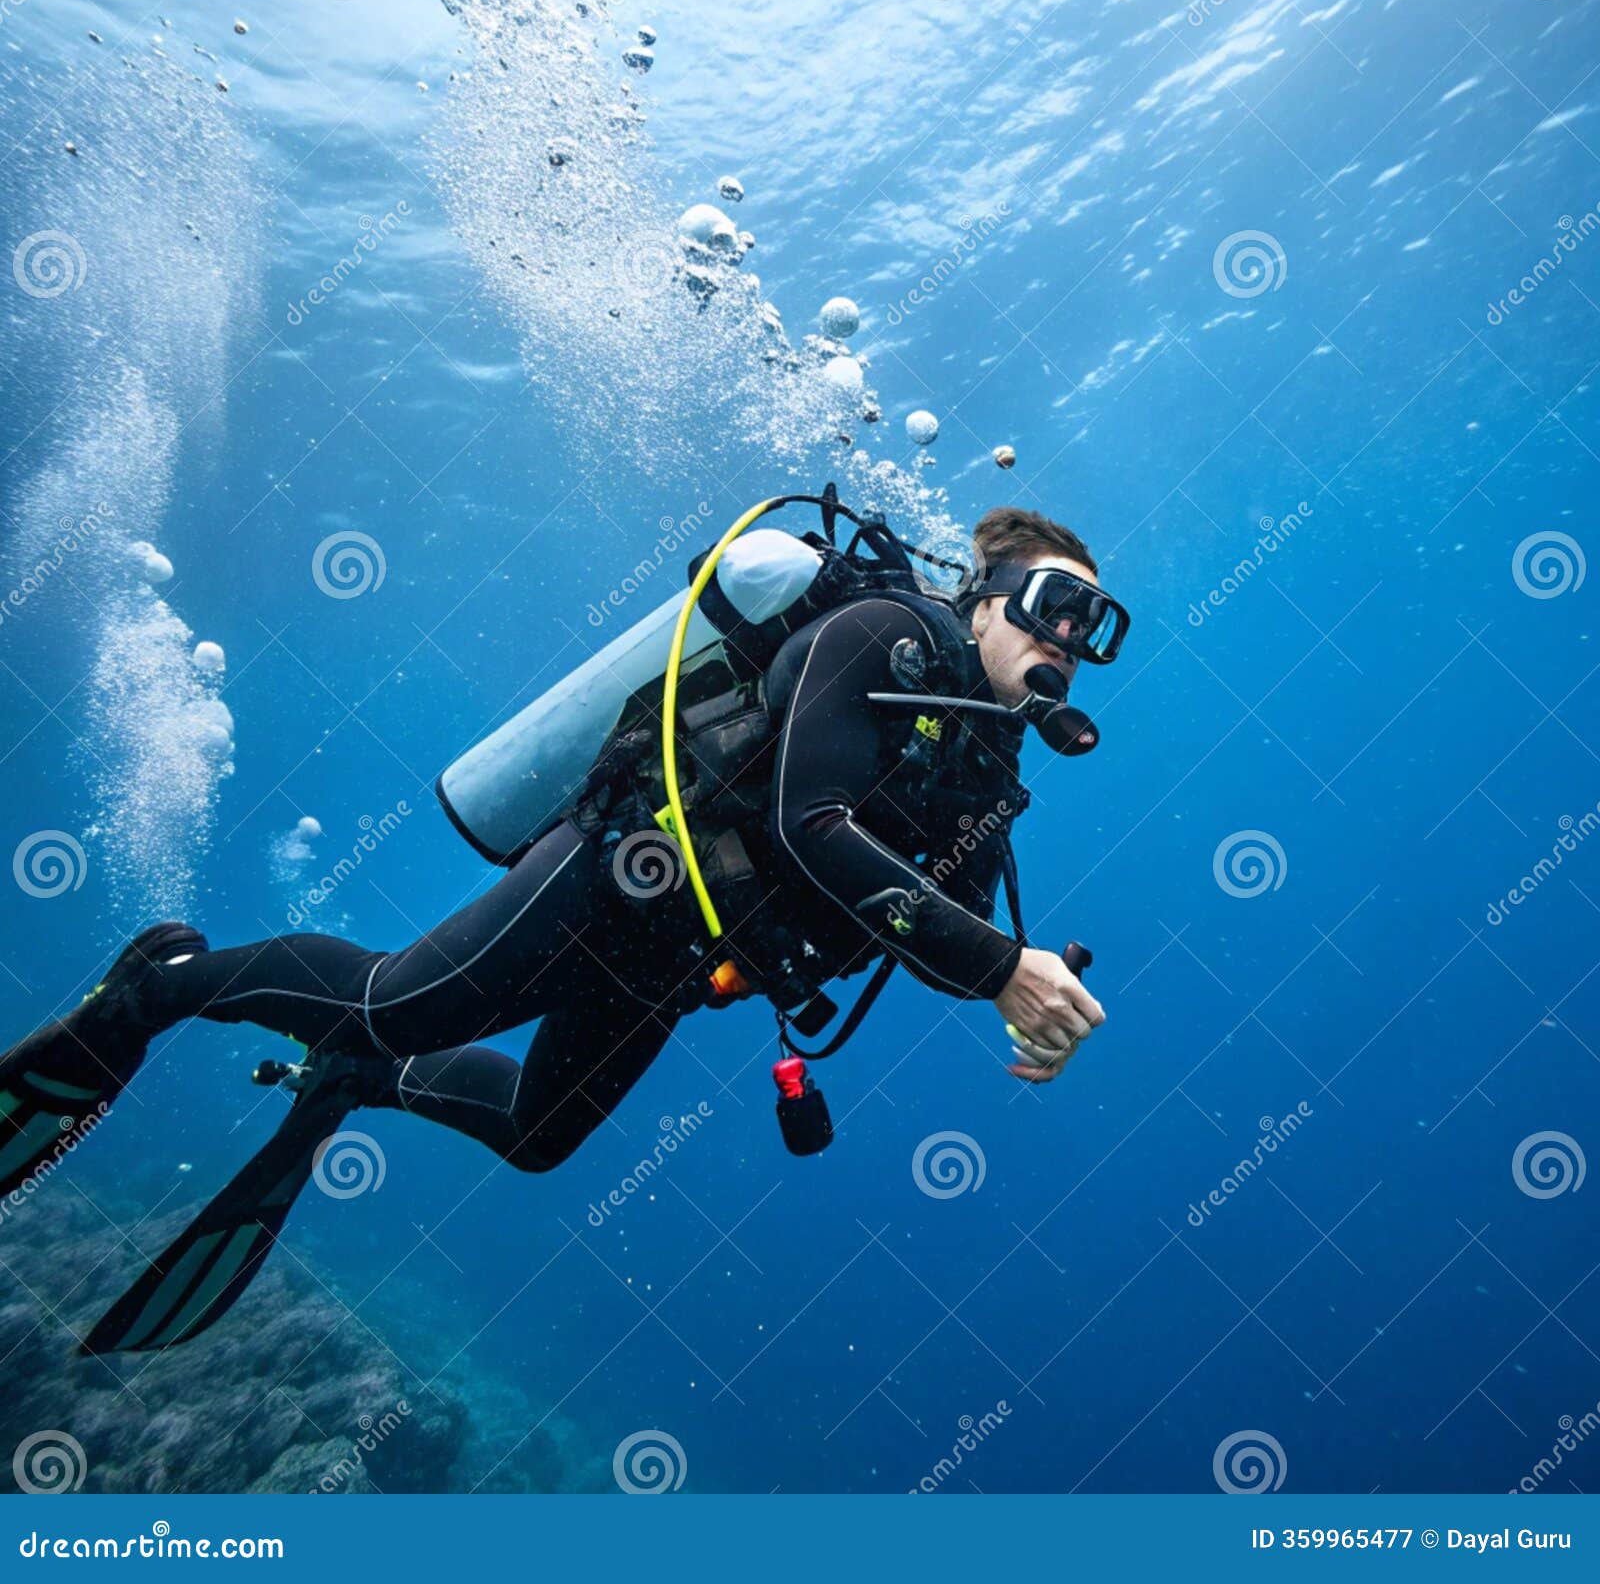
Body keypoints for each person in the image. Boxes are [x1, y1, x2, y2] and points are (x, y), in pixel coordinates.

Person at [0, 502, 1127, 1351]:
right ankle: (158, 983)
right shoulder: (881, 634)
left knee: (541, 1135)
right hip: (616, 873)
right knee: (394, 1002)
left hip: (676, 964)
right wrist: (997, 969)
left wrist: (1023, 986)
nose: (1070, 636)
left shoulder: (985, 768)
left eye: (1092, 625)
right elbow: (810, 820)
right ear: (983, 598)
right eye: (1050, 605)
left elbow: (944, 943)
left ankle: (353, 1082)